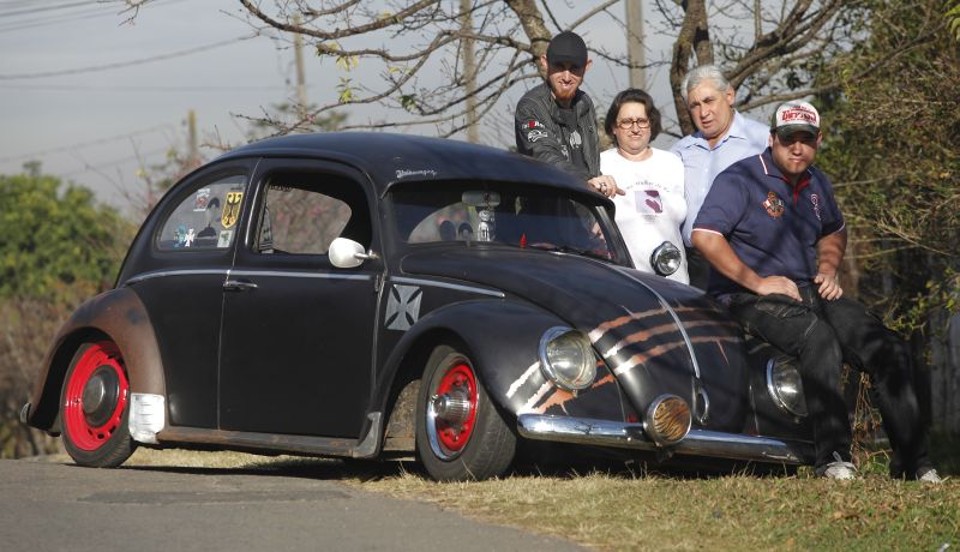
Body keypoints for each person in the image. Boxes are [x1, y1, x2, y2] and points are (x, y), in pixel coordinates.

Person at [691, 100, 941, 483]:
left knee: (884, 343)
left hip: (808, 288)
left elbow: (834, 229)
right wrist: (758, 282)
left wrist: (828, 267)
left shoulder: (817, 182)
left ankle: (913, 463)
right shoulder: (740, 179)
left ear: (818, 141)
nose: (797, 148)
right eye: (788, 139)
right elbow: (705, 237)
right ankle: (834, 457)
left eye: (806, 140)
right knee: (818, 338)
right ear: (772, 139)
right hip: (745, 298)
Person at [670, 64, 769, 288]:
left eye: (709, 100)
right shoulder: (679, 151)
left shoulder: (762, 142)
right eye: (695, 105)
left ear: (729, 95)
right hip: (693, 268)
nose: (703, 112)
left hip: (747, 261)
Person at [515, 31, 619, 199]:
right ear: (544, 62)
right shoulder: (531, 106)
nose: (566, 77)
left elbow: (591, 165)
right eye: (559, 66)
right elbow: (545, 156)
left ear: (587, 66)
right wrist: (587, 180)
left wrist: (598, 208)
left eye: (574, 68)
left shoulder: (585, 103)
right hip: (546, 219)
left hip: (585, 216)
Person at [600, 88, 688, 283]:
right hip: (624, 280)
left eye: (641, 121)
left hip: (674, 280)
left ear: (651, 124)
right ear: (614, 127)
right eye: (626, 122)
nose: (635, 128)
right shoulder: (600, 164)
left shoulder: (672, 163)